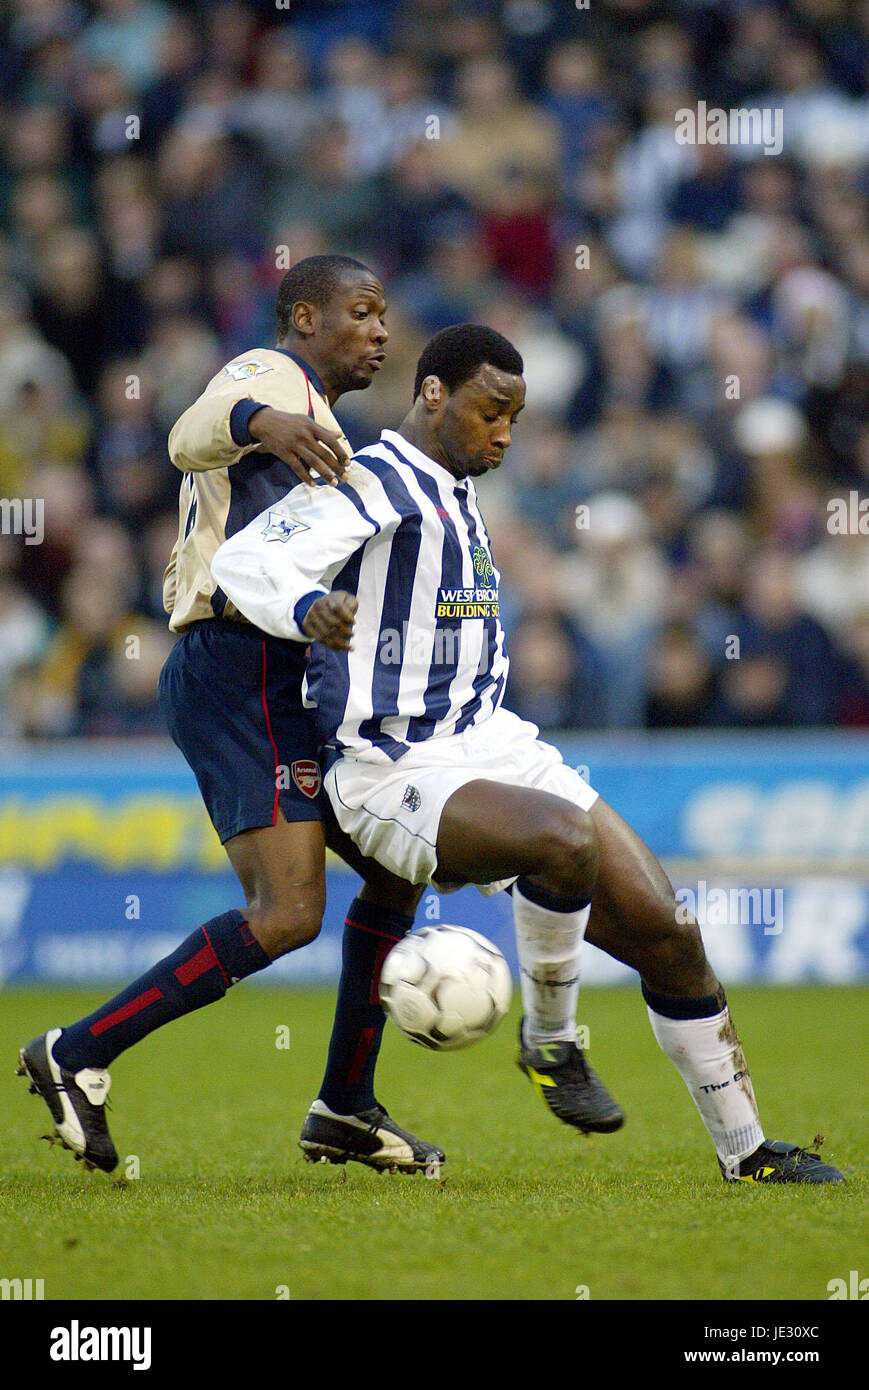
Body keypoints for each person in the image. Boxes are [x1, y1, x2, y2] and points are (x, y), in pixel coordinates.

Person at [212, 324, 844, 1184]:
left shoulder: (459, 491)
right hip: (393, 764)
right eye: (490, 412)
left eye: (514, 417)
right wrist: (306, 608)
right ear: (433, 393)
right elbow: (247, 558)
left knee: (668, 930)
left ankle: (749, 1153)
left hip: (493, 741)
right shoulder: (374, 478)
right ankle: (550, 1041)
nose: (504, 432)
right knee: (561, 840)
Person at [18, 255, 444, 1178]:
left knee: (395, 869)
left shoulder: (330, 426)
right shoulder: (269, 375)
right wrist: (264, 421)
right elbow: (187, 433)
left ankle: (345, 1105)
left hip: (283, 671)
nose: (379, 330)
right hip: (237, 663)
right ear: (305, 317)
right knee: (288, 913)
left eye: (384, 315)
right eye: (361, 311)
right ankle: (78, 1052)